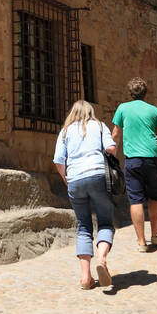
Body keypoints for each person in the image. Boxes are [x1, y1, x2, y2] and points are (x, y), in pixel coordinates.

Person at [53, 99, 117, 289]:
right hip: (98, 175)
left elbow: (58, 160)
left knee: (83, 226)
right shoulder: (99, 125)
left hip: (75, 180)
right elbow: (111, 148)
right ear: (90, 112)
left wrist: (66, 179)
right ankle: (101, 259)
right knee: (105, 222)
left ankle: (85, 277)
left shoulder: (65, 132)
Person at [112, 76, 157, 253]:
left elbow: (115, 135)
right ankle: (155, 234)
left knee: (135, 199)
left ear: (130, 93)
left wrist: (111, 156)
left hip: (133, 160)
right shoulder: (155, 111)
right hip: (152, 159)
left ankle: (142, 242)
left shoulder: (122, 109)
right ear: (146, 93)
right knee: (155, 197)